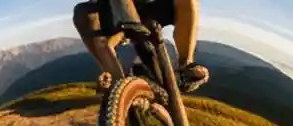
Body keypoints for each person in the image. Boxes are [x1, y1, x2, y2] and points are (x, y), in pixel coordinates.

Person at [73, 0, 210, 94]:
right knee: (83, 14)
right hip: (116, 10)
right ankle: (112, 75)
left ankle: (186, 66)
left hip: (150, 8)